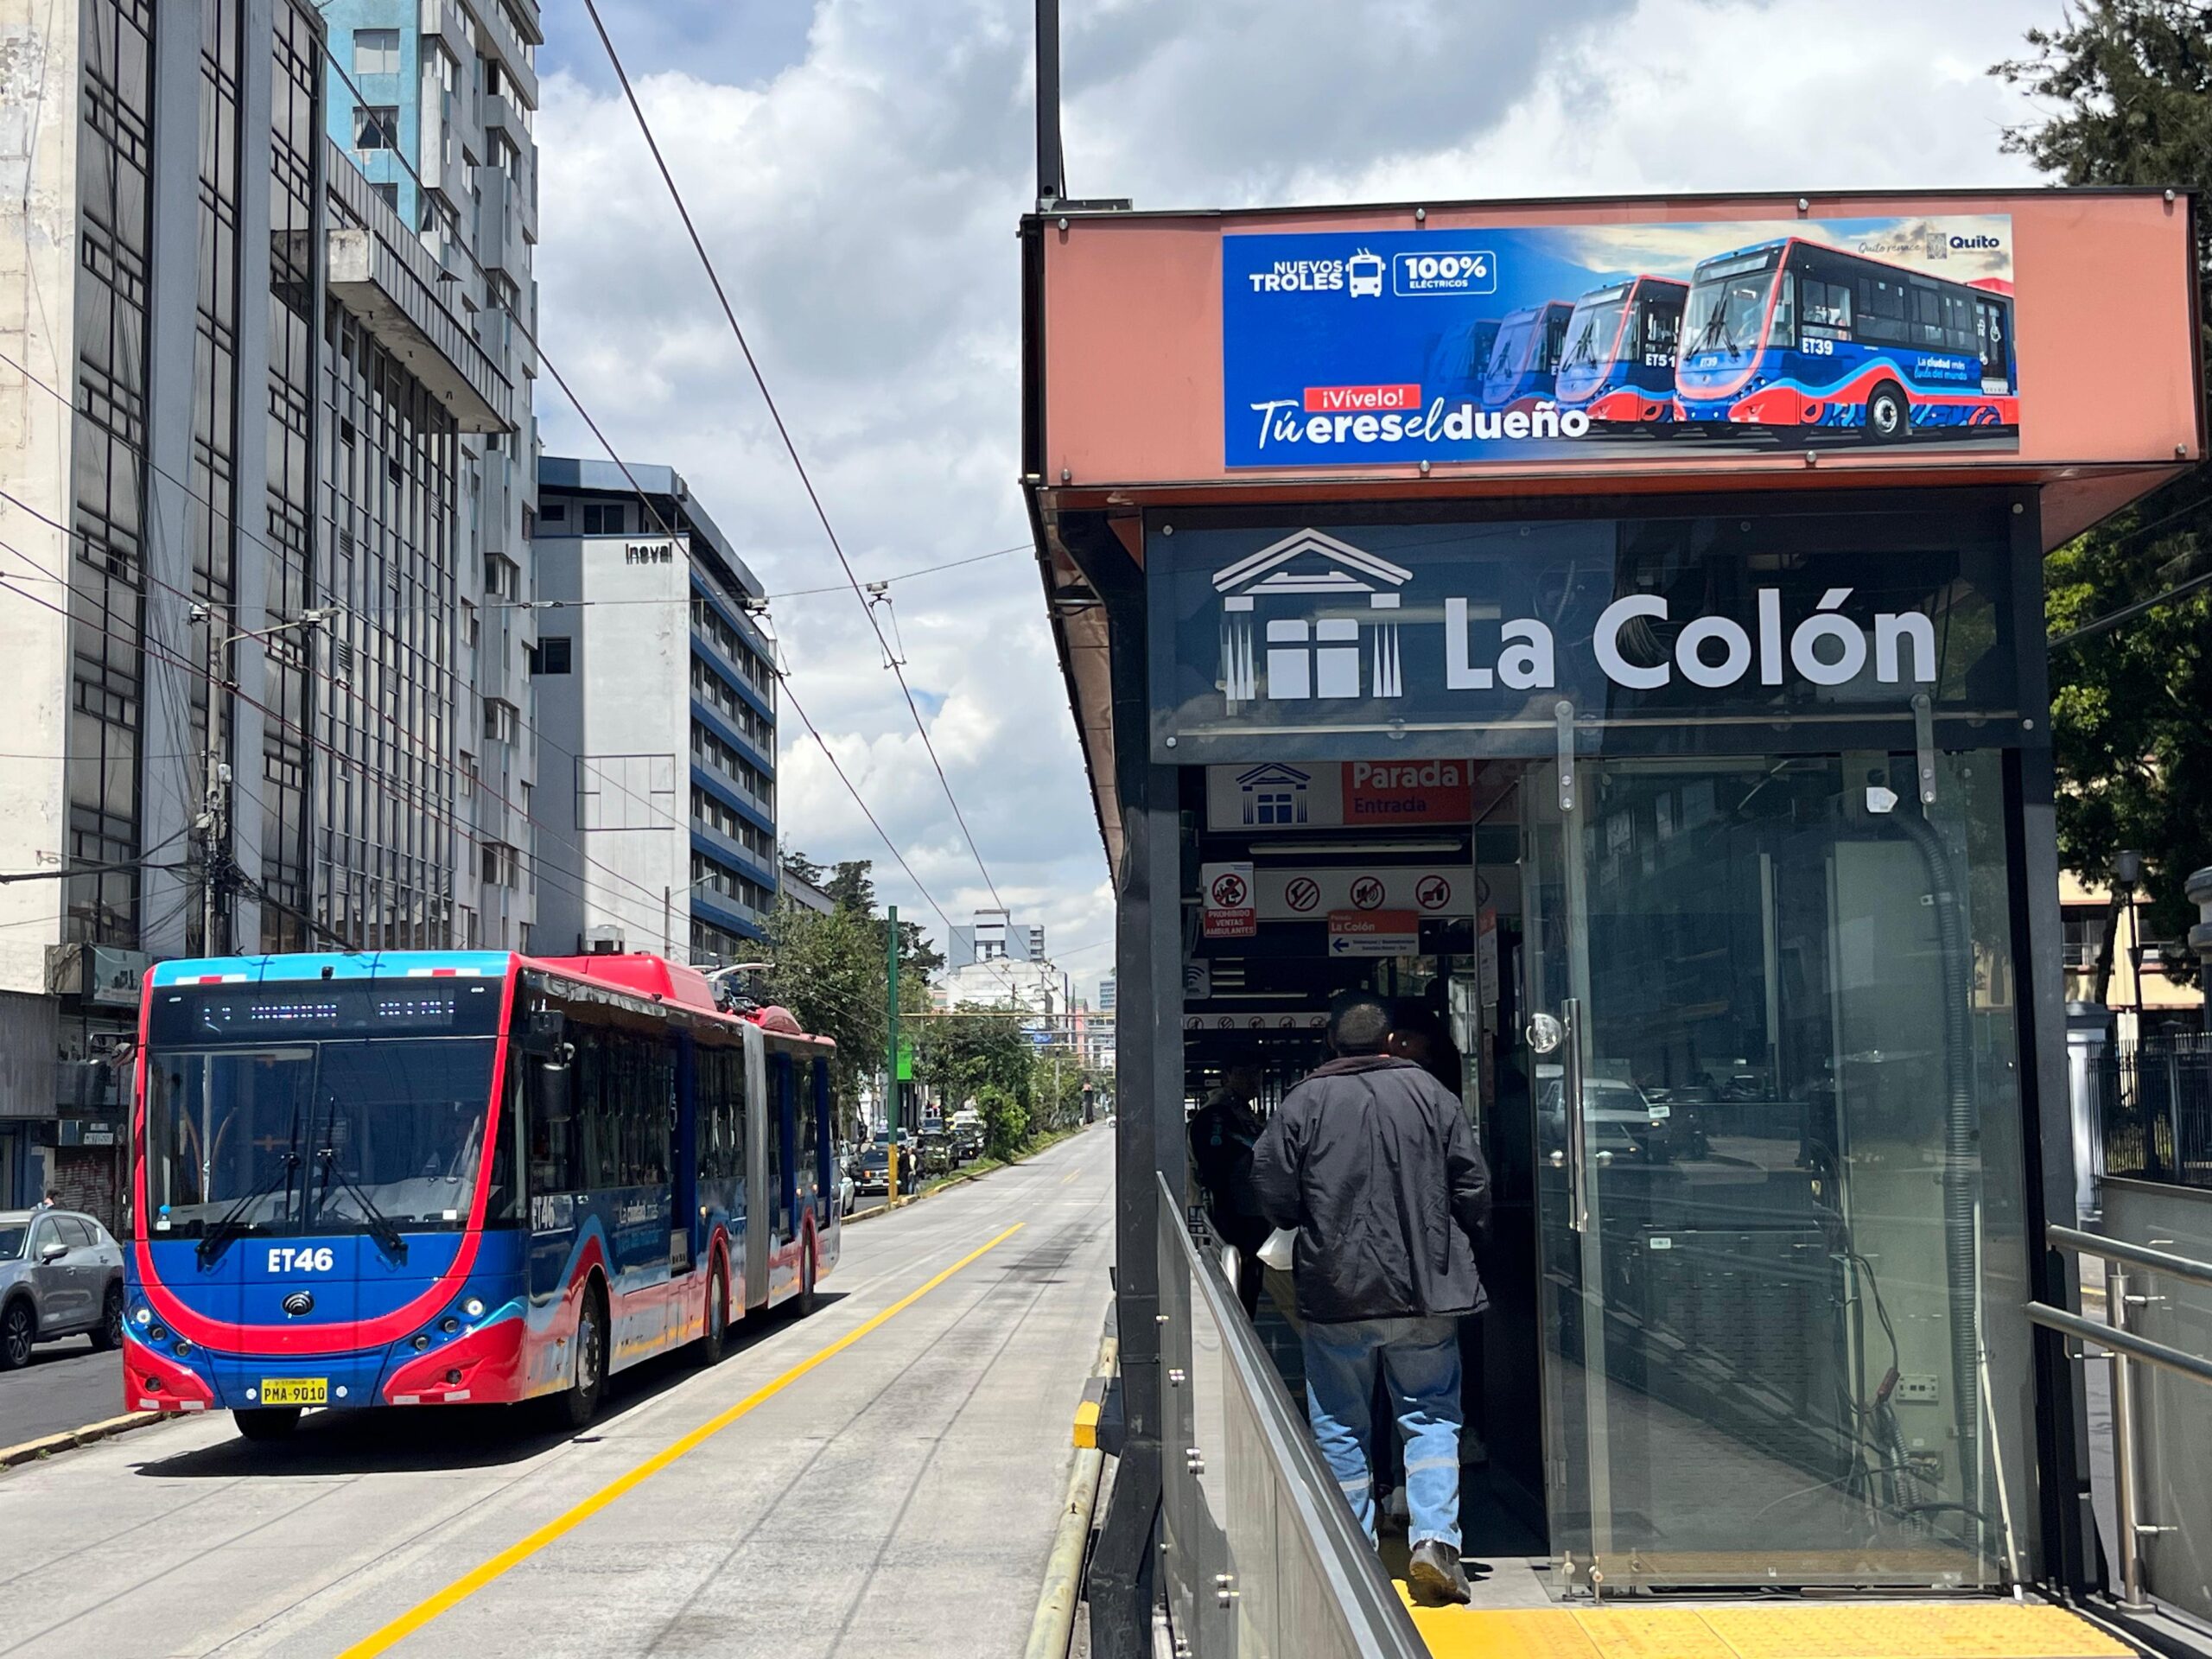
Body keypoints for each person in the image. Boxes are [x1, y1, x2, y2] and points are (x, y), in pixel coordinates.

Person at [1251, 990, 1491, 1606]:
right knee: (1431, 1413)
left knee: (1340, 1423)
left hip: (1338, 1290)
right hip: (1425, 1290)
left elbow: (1270, 1184)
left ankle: (1352, 1552)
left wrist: (1303, 1220)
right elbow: (1472, 1183)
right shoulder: (1430, 1093)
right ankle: (1434, 1540)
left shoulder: (1304, 1100)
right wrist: (1464, 1244)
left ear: (1332, 1043)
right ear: (1390, 1042)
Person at [1187, 1058, 1269, 1317]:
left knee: (1249, 1281)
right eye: (1245, 1072)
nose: (1253, 1080)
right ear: (1227, 1076)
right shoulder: (1217, 1114)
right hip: (1232, 1214)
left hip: (1249, 1211)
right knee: (1238, 1281)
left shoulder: (1240, 1111)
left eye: (1257, 1073)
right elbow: (1216, 1170)